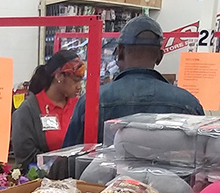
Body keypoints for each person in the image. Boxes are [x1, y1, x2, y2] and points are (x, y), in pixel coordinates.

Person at [62, 17, 205, 147]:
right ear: (160, 57)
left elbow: (68, 156)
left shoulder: (92, 102)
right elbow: (204, 159)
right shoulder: (189, 105)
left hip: (100, 169)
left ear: (119, 52)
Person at [11, 50, 85, 172]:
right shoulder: (28, 110)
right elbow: (26, 158)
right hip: (43, 181)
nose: (79, 86)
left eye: (80, 81)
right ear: (59, 76)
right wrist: (63, 168)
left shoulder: (80, 105)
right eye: (75, 80)